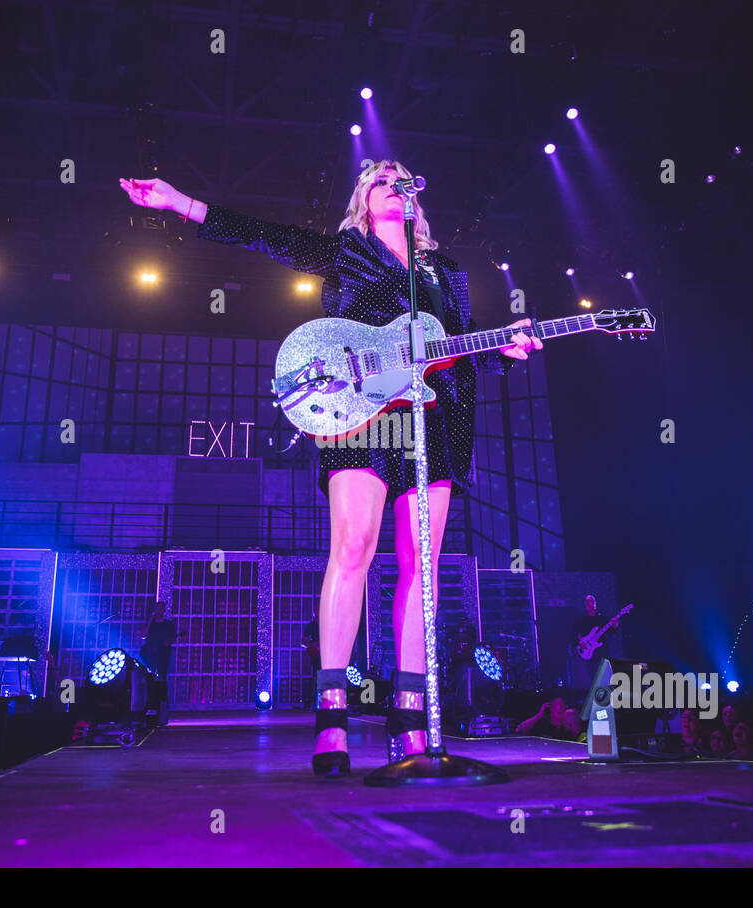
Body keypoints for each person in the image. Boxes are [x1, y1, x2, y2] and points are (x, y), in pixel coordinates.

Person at [122, 161, 542, 776]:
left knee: (420, 570)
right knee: (353, 549)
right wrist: (182, 202)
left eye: (404, 176)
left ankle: (409, 722)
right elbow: (265, 235)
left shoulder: (445, 270)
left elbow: (463, 343)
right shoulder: (346, 252)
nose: (396, 183)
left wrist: (504, 349)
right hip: (360, 413)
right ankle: (332, 717)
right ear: (364, 200)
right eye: (381, 178)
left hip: (437, 421)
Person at [141, 601, 178, 726]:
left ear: (163, 611)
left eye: (160, 609)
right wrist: (150, 619)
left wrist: (168, 642)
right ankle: (149, 705)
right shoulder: (151, 624)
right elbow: (143, 635)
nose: (158, 611)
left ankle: (162, 706)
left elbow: (172, 638)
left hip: (162, 656)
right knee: (149, 680)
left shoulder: (168, 624)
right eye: (156, 609)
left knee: (161, 680)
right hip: (150, 656)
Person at [514, 697, 582, 741]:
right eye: (557, 711)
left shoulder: (567, 728)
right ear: (551, 710)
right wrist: (539, 715)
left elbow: (579, 737)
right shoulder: (543, 724)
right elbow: (519, 730)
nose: (558, 715)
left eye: (561, 711)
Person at [300, 599, 321, 710]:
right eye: (316, 610)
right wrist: (314, 645)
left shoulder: (328, 623)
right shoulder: (311, 626)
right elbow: (303, 642)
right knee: (316, 677)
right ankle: (315, 700)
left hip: (328, 655)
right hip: (317, 656)